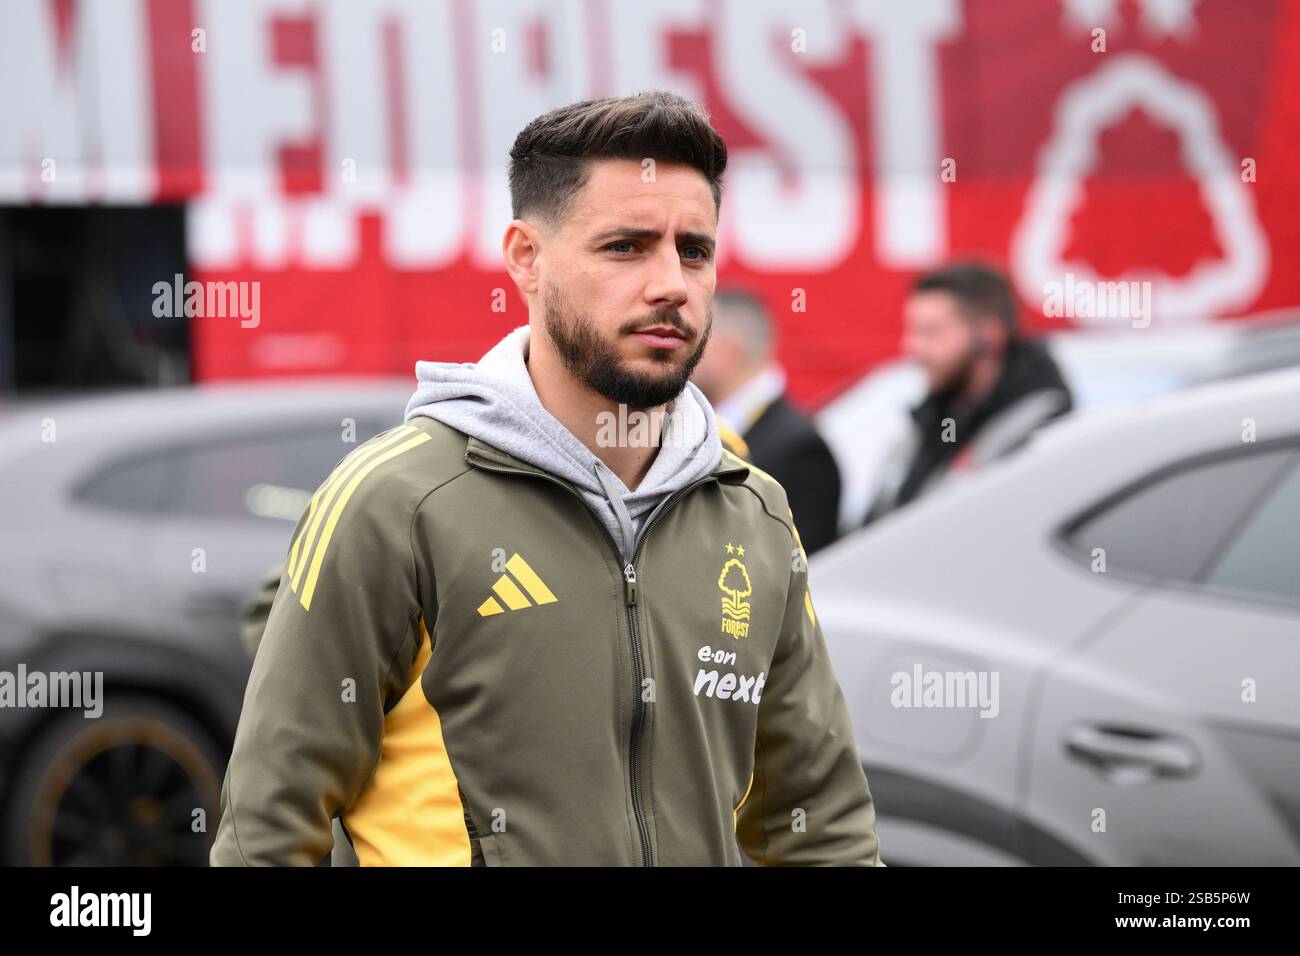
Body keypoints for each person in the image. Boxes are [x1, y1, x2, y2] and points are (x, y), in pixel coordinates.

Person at [210, 91, 882, 867]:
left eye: (693, 250)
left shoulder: (753, 512)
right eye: (626, 246)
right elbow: (264, 833)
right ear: (527, 260)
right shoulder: (397, 500)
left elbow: (821, 826)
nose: (672, 283)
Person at [865, 262, 1073, 523]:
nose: (912, 348)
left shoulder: (1040, 435)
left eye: (931, 332)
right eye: (913, 331)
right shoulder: (929, 422)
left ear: (988, 338)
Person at [692, 290, 842, 553]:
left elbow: (804, 565)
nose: (684, 354)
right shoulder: (720, 429)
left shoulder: (800, 448)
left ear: (728, 352)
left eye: (697, 341)